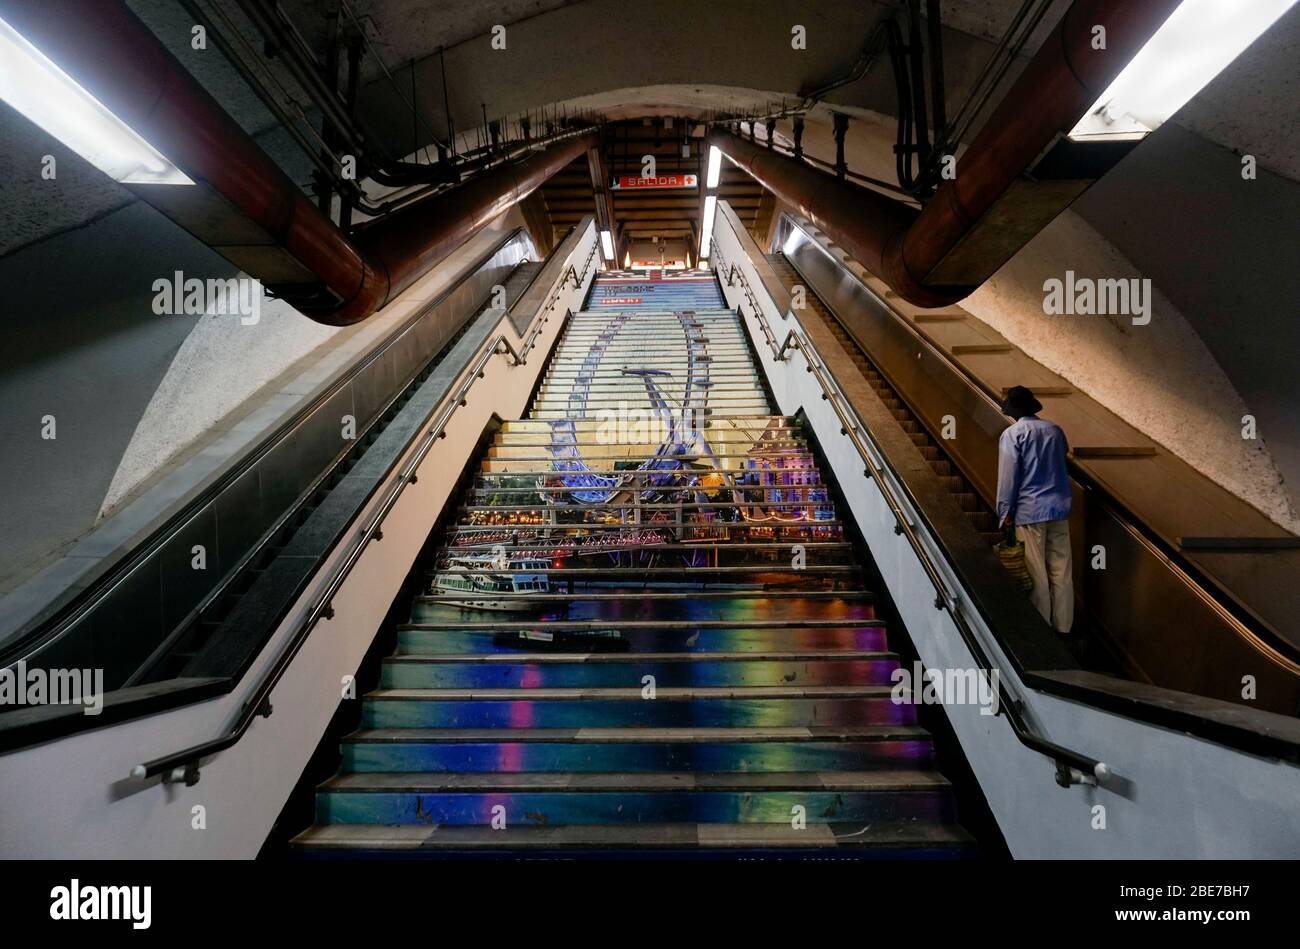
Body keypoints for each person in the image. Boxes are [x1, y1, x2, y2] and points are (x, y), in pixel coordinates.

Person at [995, 386, 1073, 634]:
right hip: (1059, 510)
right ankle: (1064, 625)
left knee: (1036, 570)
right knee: (1062, 569)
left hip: (1030, 511)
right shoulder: (1055, 431)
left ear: (1014, 411)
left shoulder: (1013, 434)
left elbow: (1009, 476)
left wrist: (1005, 511)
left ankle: (1041, 626)